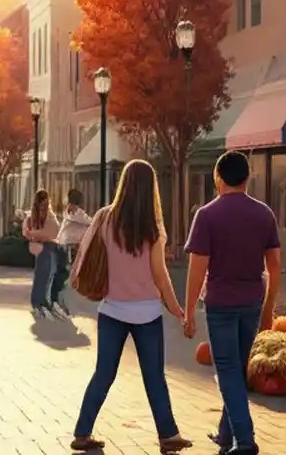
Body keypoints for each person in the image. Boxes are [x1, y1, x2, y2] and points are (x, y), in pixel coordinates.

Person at [70, 160, 191, 453]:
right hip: (147, 313)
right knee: (154, 377)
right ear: (151, 189)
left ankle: (82, 433)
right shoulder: (153, 227)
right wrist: (178, 310)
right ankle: (168, 436)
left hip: (111, 310)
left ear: (123, 184)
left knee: (104, 374)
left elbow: (84, 254)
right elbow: (160, 275)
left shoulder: (104, 218)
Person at [184, 151, 281, 455]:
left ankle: (245, 439)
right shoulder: (265, 214)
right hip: (252, 302)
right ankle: (226, 436)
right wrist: (268, 309)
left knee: (226, 370)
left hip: (220, 305)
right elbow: (275, 266)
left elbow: (197, 270)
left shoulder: (207, 214)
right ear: (247, 178)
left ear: (218, 178)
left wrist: (188, 312)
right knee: (236, 369)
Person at [52, 188, 93, 317]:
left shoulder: (71, 211)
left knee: (64, 275)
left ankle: (58, 300)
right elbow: (90, 222)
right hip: (67, 247)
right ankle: (58, 301)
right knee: (65, 275)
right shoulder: (76, 213)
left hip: (65, 245)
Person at [23, 190, 61, 319]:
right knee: (45, 275)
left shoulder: (39, 215)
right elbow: (52, 231)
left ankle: (39, 300)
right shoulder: (45, 215)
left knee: (44, 275)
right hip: (45, 246)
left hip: (42, 246)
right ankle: (39, 301)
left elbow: (51, 231)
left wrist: (34, 234)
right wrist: (38, 234)